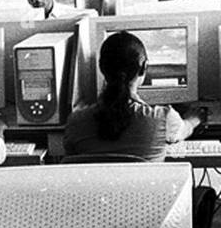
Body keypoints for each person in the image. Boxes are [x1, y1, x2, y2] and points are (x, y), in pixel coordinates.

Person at [64, 30, 206, 160]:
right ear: (144, 67)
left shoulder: (75, 122)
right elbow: (185, 129)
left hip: (96, 189)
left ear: (101, 67)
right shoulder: (163, 118)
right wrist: (195, 118)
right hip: (149, 189)